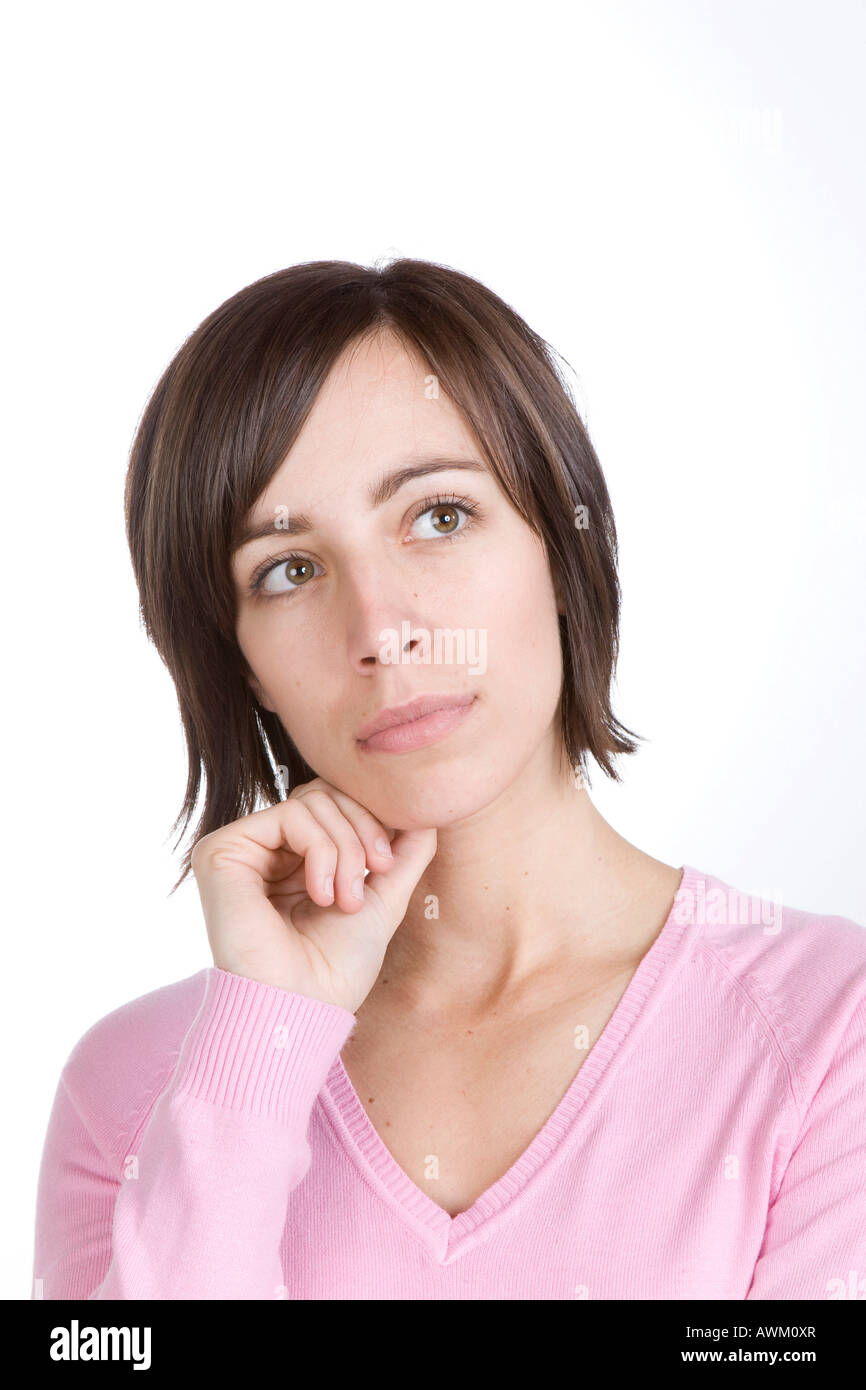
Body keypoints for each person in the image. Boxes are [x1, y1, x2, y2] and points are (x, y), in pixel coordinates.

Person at [32, 259, 866, 1300]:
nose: (380, 627)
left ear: (560, 545)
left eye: (436, 516)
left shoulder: (831, 1033)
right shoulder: (132, 1088)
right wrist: (260, 1047)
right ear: (238, 658)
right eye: (288, 569)